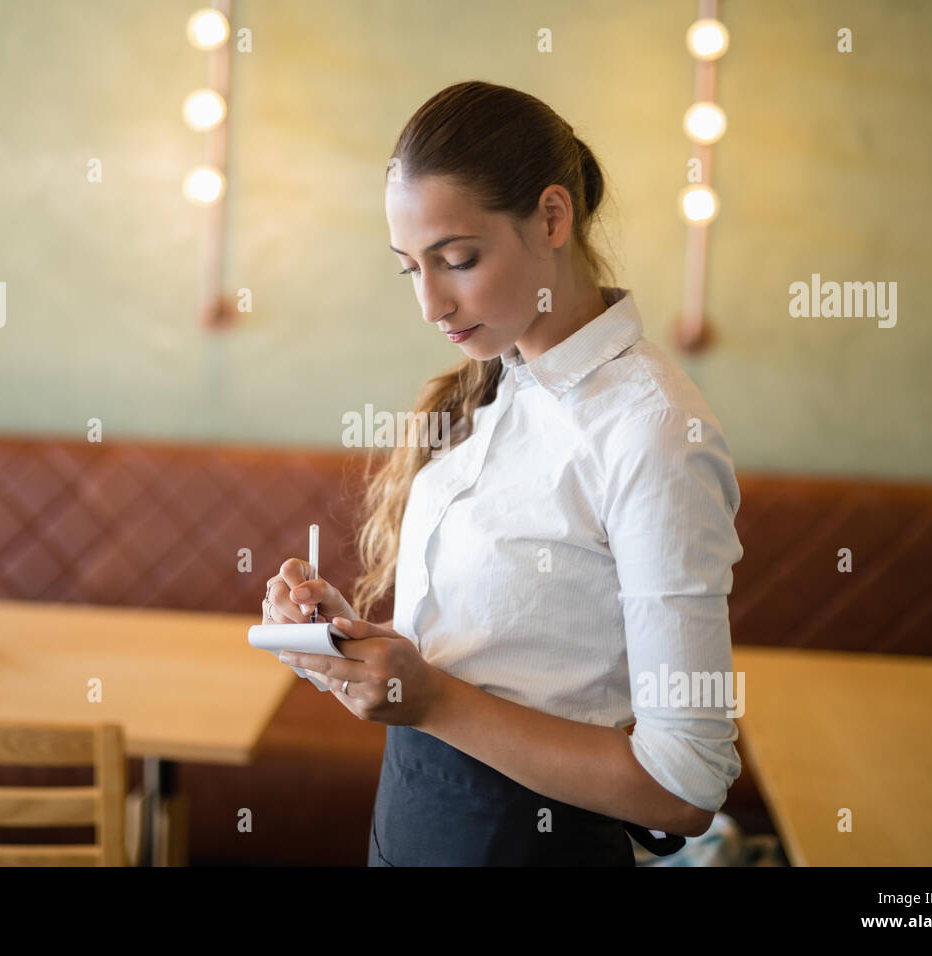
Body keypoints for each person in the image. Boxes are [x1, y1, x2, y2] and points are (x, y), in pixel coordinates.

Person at [262, 80, 744, 866]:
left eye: (457, 260)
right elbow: (489, 662)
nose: (430, 304)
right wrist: (346, 647)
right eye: (408, 269)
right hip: (410, 828)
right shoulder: (497, 387)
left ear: (553, 218)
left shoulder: (653, 432)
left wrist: (433, 699)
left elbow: (685, 789)